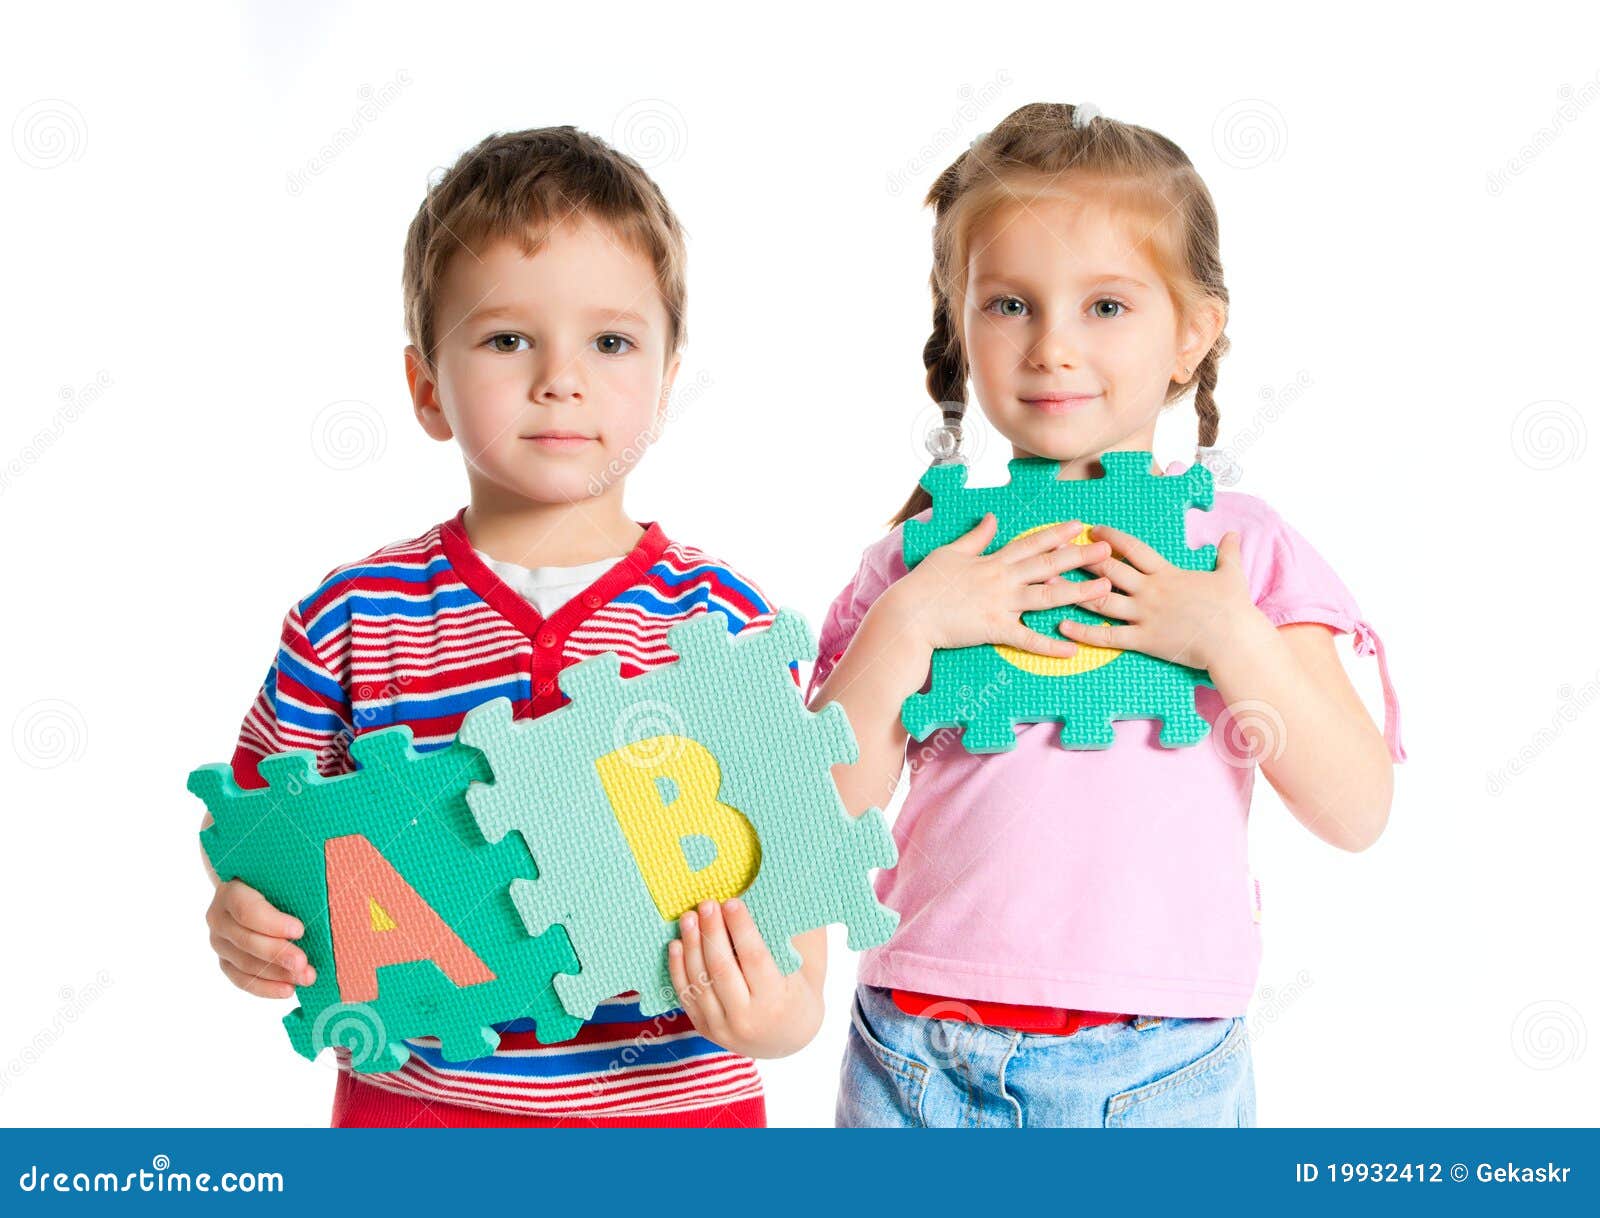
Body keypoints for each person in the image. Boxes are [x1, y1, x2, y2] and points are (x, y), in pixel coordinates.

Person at [809, 102, 1406, 1128]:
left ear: (1192, 334)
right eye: (1008, 306)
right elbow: (818, 821)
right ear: (959, 326)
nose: (1051, 347)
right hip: (916, 1048)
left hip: (1157, 1063)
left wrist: (1224, 635)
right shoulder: (916, 562)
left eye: (1105, 307)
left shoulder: (1238, 551)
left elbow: (1356, 809)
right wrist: (905, 627)